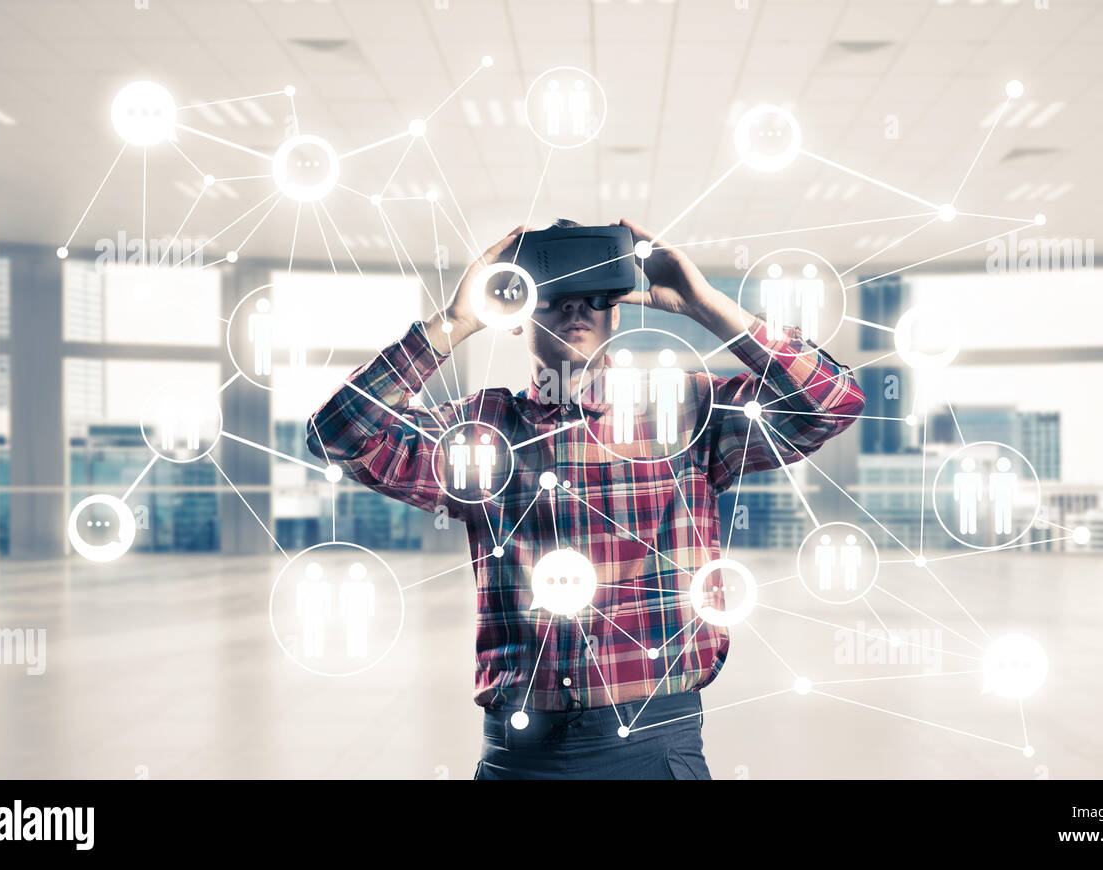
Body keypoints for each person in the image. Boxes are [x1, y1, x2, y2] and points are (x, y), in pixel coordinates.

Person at [305, 217, 865, 779]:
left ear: (617, 311)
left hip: (654, 744)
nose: (575, 312)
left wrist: (707, 305)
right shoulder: (480, 431)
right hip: (520, 752)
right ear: (519, 313)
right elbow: (336, 432)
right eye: (553, 299)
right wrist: (454, 323)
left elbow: (832, 402)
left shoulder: (686, 412)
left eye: (595, 298)